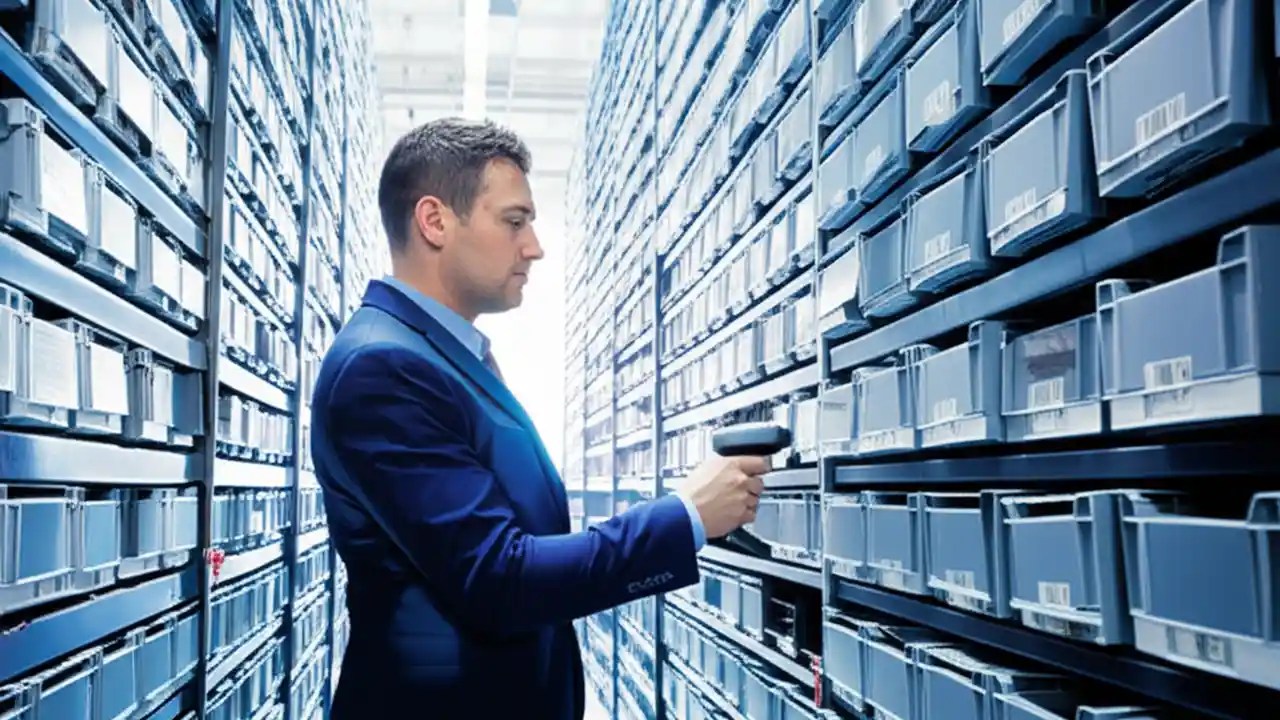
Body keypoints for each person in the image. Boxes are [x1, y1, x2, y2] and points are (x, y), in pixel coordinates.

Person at [310, 117, 772, 719]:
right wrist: (683, 519)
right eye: (514, 221)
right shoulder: (382, 369)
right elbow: (498, 577)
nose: (534, 246)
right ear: (434, 221)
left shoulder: (443, 354)